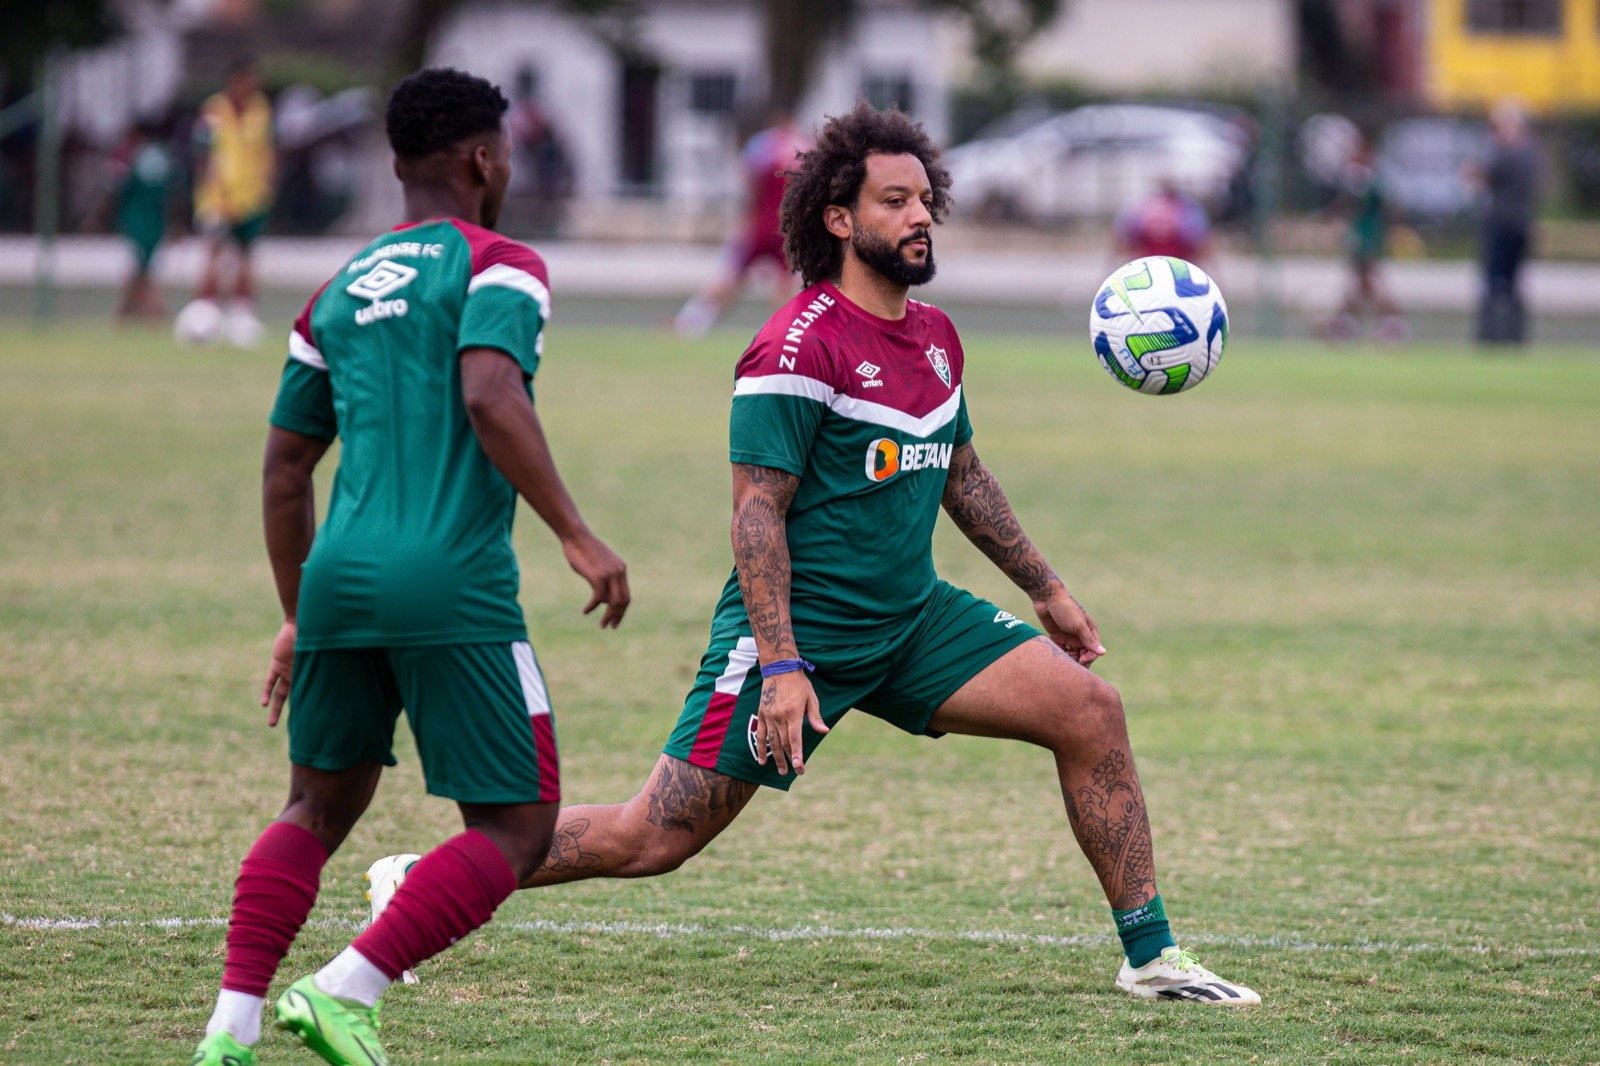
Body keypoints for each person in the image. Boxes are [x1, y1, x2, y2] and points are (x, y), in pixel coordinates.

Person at [373, 102, 1259, 1007]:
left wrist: (1048, 588)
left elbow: (958, 471)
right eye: (894, 201)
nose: (919, 218)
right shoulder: (796, 345)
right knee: (652, 839)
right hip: (797, 636)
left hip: (913, 620)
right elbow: (755, 516)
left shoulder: (937, 337)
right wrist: (786, 664)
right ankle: (423, 882)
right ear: (839, 218)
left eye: (925, 200)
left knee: (1091, 712)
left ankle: (1151, 957)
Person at [188, 67, 631, 1066]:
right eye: (505, 151)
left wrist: (301, 613)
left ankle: (229, 1030)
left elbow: (284, 467)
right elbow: (487, 391)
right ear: (480, 158)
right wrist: (574, 530)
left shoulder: (335, 290)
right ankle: (347, 990)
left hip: (337, 580)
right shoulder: (499, 262)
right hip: (451, 582)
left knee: (315, 804)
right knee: (518, 826)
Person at [672, 110, 810, 337]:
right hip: (788, 229)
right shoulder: (805, 147)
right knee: (785, 284)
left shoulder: (763, 145)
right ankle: (785, 332)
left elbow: (748, 181)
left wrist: (747, 215)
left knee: (731, 275)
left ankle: (691, 324)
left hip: (760, 224)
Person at [175, 56, 276, 348]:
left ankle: (242, 314)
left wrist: (266, 185)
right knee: (214, 254)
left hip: (252, 197)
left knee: (246, 257)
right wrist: (217, 195)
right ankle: (204, 311)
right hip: (218, 200)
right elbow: (203, 157)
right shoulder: (213, 112)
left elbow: (267, 151)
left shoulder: (261, 110)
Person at [1318, 128, 1407, 343]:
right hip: (1364, 230)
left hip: (1366, 232)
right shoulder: (1373, 172)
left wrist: (1329, 216)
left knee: (1368, 279)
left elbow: (1351, 201)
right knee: (1360, 281)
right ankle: (1348, 322)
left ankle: (1389, 323)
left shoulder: (1364, 174)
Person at [1473, 99, 1538, 345]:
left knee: (1495, 281)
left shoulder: (1508, 153)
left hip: (1502, 223)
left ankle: (1491, 335)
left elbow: (1480, 177)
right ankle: (1513, 336)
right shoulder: (1531, 153)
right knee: (1511, 283)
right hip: (1520, 223)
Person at [105, 117, 176, 322]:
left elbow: (117, 190)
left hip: (134, 221)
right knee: (144, 269)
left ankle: (145, 313)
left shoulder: (130, 156)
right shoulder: (166, 158)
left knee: (140, 269)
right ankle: (140, 313)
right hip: (156, 222)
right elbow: (172, 194)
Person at [1113, 176, 1212, 268]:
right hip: (1170, 257)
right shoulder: (1189, 207)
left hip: (1155, 256)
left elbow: (1124, 234)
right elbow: (1201, 240)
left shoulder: (1140, 205)